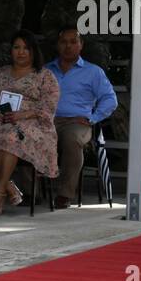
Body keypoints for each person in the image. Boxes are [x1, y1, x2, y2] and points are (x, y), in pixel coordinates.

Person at [0, 33, 59, 215]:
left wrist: (22, 114)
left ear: (33, 51)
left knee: (10, 138)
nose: (21, 52)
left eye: (26, 48)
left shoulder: (44, 76)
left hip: (31, 124)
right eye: (17, 47)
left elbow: (49, 106)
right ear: (11, 50)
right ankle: (10, 187)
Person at [45, 28, 118, 208]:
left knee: (71, 139)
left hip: (77, 122)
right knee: (24, 135)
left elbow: (110, 99)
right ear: (57, 45)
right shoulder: (46, 70)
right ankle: (31, 192)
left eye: (73, 42)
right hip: (46, 120)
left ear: (81, 45)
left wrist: (93, 117)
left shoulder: (93, 72)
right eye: (64, 42)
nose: (68, 46)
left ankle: (64, 194)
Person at [41, 0, 107, 66]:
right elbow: (47, 25)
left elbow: (106, 28)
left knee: (98, 52)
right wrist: (63, 39)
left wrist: (78, 40)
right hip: (61, 42)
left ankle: (94, 77)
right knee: (43, 51)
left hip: (89, 44)